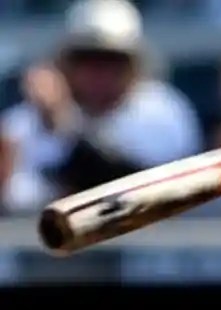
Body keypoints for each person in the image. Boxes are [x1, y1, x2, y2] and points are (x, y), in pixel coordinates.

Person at [0, 0, 201, 214]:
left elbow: (133, 191)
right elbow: (19, 200)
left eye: (112, 60)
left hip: (144, 242)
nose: (99, 72)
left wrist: (65, 125)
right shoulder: (26, 120)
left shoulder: (163, 112)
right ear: (66, 63)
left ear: (134, 64)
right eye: (85, 59)